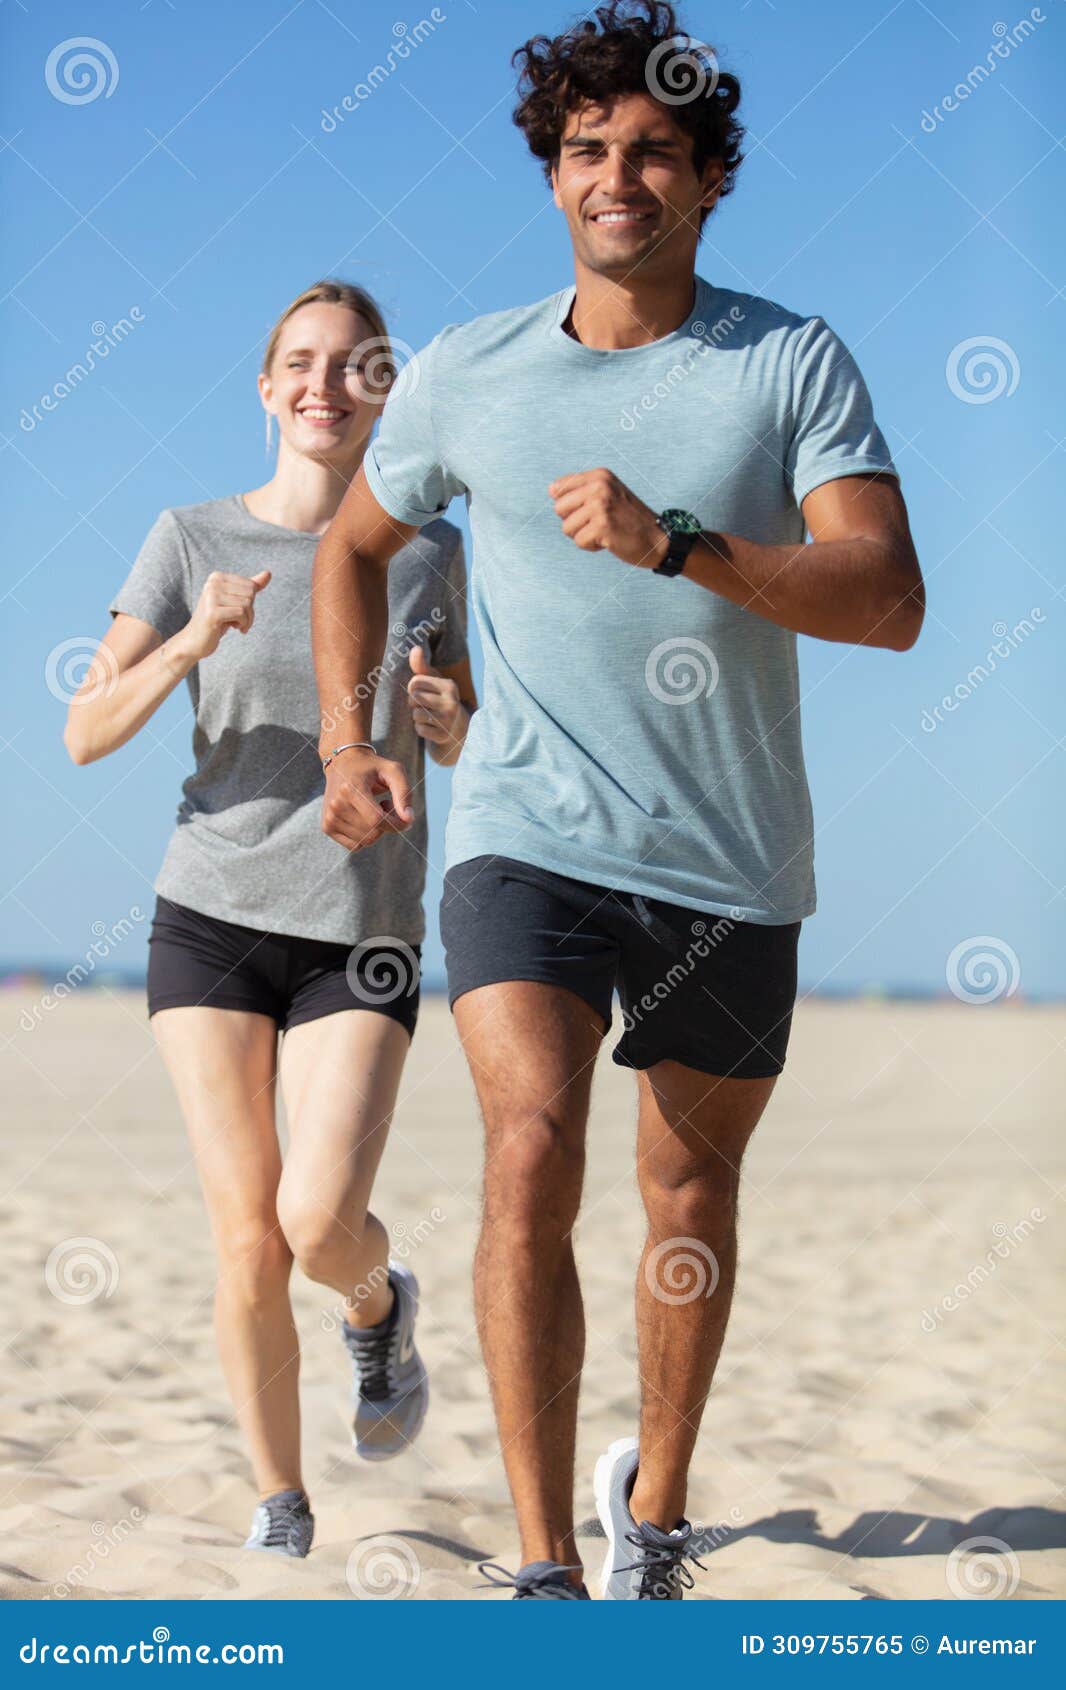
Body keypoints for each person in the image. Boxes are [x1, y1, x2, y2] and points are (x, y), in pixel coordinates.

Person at [310, 1, 924, 1601]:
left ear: (711, 177)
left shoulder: (788, 358)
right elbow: (353, 549)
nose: (616, 176)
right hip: (526, 827)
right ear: (552, 172)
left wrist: (685, 545)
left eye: (653, 149)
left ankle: (647, 1509)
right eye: (587, 149)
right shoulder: (468, 373)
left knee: (686, 1187)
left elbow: (886, 596)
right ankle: (538, 1566)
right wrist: (344, 738)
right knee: (528, 1141)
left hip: (727, 853)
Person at [63, 279, 477, 1559]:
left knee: (313, 1224)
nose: (323, 385)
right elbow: (86, 728)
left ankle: (374, 1306)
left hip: (360, 926)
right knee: (245, 1235)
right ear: (264, 384)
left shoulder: (429, 551)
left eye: (355, 366)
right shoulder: (187, 536)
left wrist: (444, 723)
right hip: (210, 915)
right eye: (299, 362)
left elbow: (462, 725)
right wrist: (195, 637)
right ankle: (281, 1504)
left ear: (384, 393)